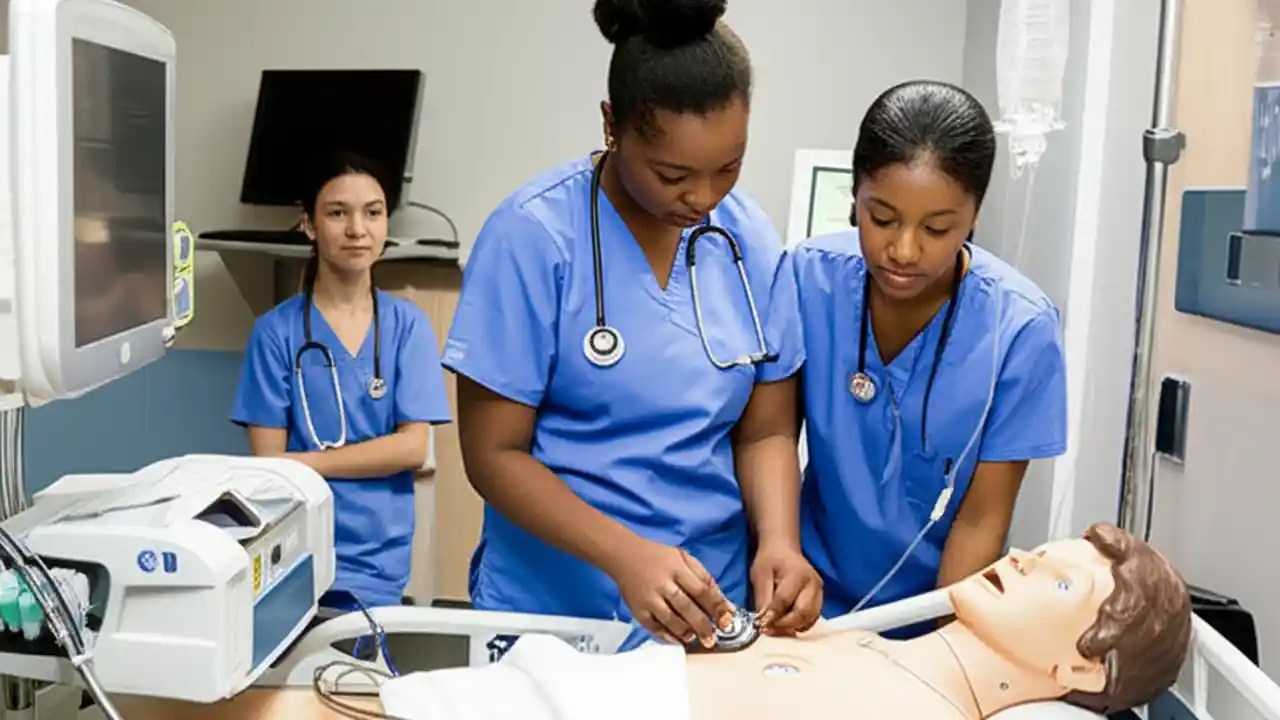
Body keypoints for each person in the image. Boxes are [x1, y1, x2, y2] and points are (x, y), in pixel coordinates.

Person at [440, 0, 817, 648]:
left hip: (707, 609)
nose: (702, 198)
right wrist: (625, 556)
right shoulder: (532, 238)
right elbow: (493, 456)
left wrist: (779, 542)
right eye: (673, 175)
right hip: (553, 611)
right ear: (612, 125)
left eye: (728, 168)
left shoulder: (749, 240)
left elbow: (766, 430)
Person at [109, 523, 1192, 720]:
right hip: (568, 686)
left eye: (1054, 580)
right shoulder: (883, 649)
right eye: (1042, 548)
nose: (1017, 558)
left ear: (1080, 671)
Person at [791, 80, 1070, 632]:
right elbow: (768, 435)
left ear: (975, 215)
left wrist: (936, 658)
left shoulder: (1019, 329)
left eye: (937, 228)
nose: (904, 250)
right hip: (803, 601)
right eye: (883, 218)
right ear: (855, 196)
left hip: (939, 615)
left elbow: (982, 520)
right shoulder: (807, 281)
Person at [230, 151, 452, 616]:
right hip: (294, 552)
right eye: (338, 213)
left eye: (373, 213)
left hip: (376, 561)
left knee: (352, 678)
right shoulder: (275, 333)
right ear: (309, 225)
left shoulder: (407, 327)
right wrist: (364, 455)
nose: (357, 229)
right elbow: (269, 466)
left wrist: (305, 461)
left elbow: (412, 449)